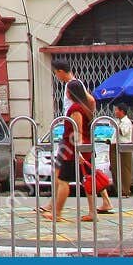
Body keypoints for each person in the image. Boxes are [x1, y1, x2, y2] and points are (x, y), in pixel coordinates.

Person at [42, 78, 98, 222]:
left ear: (70, 93)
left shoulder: (76, 109)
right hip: (82, 149)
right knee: (87, 182)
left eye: (67, 90)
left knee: (63, 181)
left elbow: (77, 131)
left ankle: (57, 213)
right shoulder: (86, 107)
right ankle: (93, 212)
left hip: (72, 151)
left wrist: (78, 151)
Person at [110, 104, 133, 197]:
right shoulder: (118, 121)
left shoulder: (126, 122)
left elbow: (123, 132)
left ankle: (125, 190)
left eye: (116, 110)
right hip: (114, 146)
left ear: (121, 111)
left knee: (124, 169)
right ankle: (118, 190)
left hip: (124, 146)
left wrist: (116, 125)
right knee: (114, 168)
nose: (115, 112)